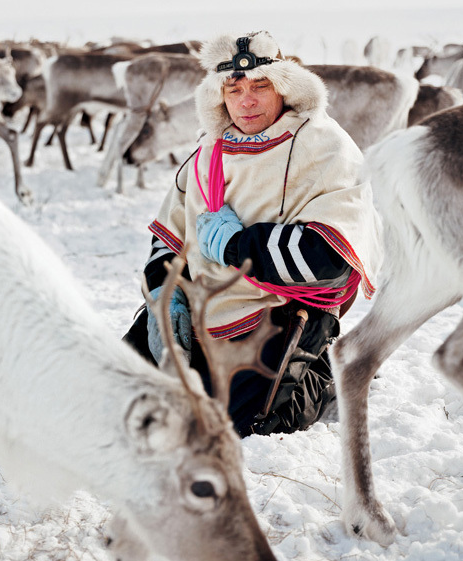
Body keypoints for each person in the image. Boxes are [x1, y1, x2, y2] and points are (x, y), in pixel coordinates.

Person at [123, 31, 381, 437]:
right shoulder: (210, 151)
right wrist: (165, 292)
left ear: (285, 87)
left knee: (247, 428)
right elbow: (169, 236)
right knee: (121, 399)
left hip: (278, 311)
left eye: (261, 86)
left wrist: (235, 245)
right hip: (198, 310)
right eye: (234, 87)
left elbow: (328, 259)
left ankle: (329, 373)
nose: (246, 100)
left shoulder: (325, 147)